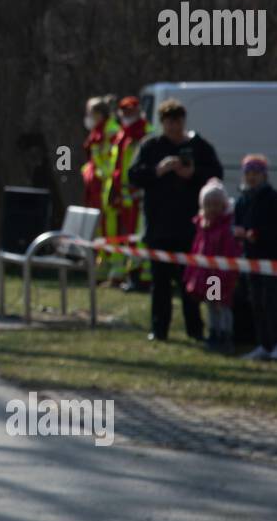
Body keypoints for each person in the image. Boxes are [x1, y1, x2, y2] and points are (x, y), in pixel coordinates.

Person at [128, 98, 223, 343]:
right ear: (162, 123)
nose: (174, 127)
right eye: (169, 122)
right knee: (159, 284)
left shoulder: (199, 146)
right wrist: (157, 171)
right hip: (159, 227)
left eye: (178, 121)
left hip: (190, 228)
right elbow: (134, 176)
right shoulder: (151, 146)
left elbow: (216, 175)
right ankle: (159, 329)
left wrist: (192, 174)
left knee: (190, 283)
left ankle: (195, 329)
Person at [234, 153, 277, 362]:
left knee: (272, 303)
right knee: (257, 303)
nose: (252, 177)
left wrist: (259, 234)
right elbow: (237, 223)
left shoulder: (275, 199)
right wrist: (239, 233)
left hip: (272, 259)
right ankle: (264, 344)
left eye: (256, 173)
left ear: (264, 175)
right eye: (248, 173)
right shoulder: (242, 200)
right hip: (250, 260)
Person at [183, 179, 240, 355]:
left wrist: (224, 275)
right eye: (208, 204)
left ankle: (224, 335)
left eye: (216, 204)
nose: (212, 208)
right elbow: (197, 249)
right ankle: (214, 332)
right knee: (211, 304)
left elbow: (231, 252)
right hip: (206, 275)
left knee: (221, 306)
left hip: (219, 276)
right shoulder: (202, 226)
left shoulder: (225, 228)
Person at [104, 96, 149, 289]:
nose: (127, 115)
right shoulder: (121, 133)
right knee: (121, 235)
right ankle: (119, 275)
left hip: (137, 195)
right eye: (124, 111)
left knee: (137, 236)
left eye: (131, 111)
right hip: (120, 195)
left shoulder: (146, 133)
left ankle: (139, 276)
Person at [81, 95, 118, 272]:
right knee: (101, 228)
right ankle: (102, 264)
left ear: (98, 114)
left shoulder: (110, 131)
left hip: (107, 186)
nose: (87, 116)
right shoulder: (97, 132)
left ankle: (111, 266)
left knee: (109, 228)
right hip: (98, 188)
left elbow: (114, 161)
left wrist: (100, 174)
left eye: (90, 113)